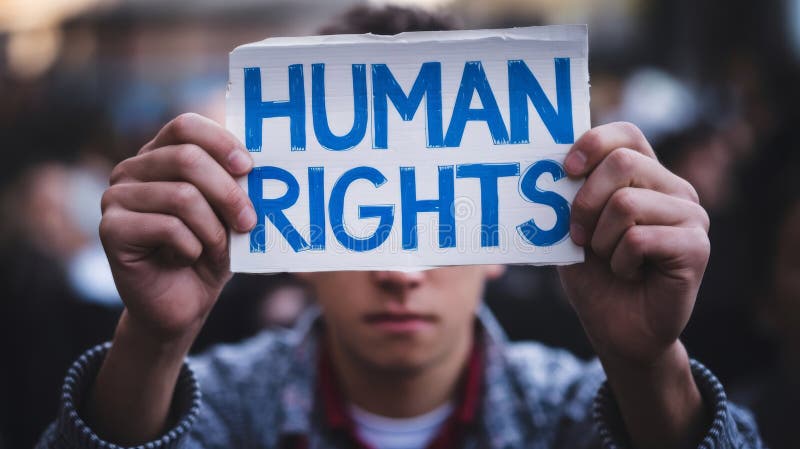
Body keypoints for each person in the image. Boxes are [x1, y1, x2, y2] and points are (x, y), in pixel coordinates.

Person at [33, 111, 763, 448]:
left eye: (441, 224)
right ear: (298, 242)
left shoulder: (580, 413)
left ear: (504, 238)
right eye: (362, 225)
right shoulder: (212, 408)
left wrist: (647, 364)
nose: (400, 272)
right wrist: (151, 342)